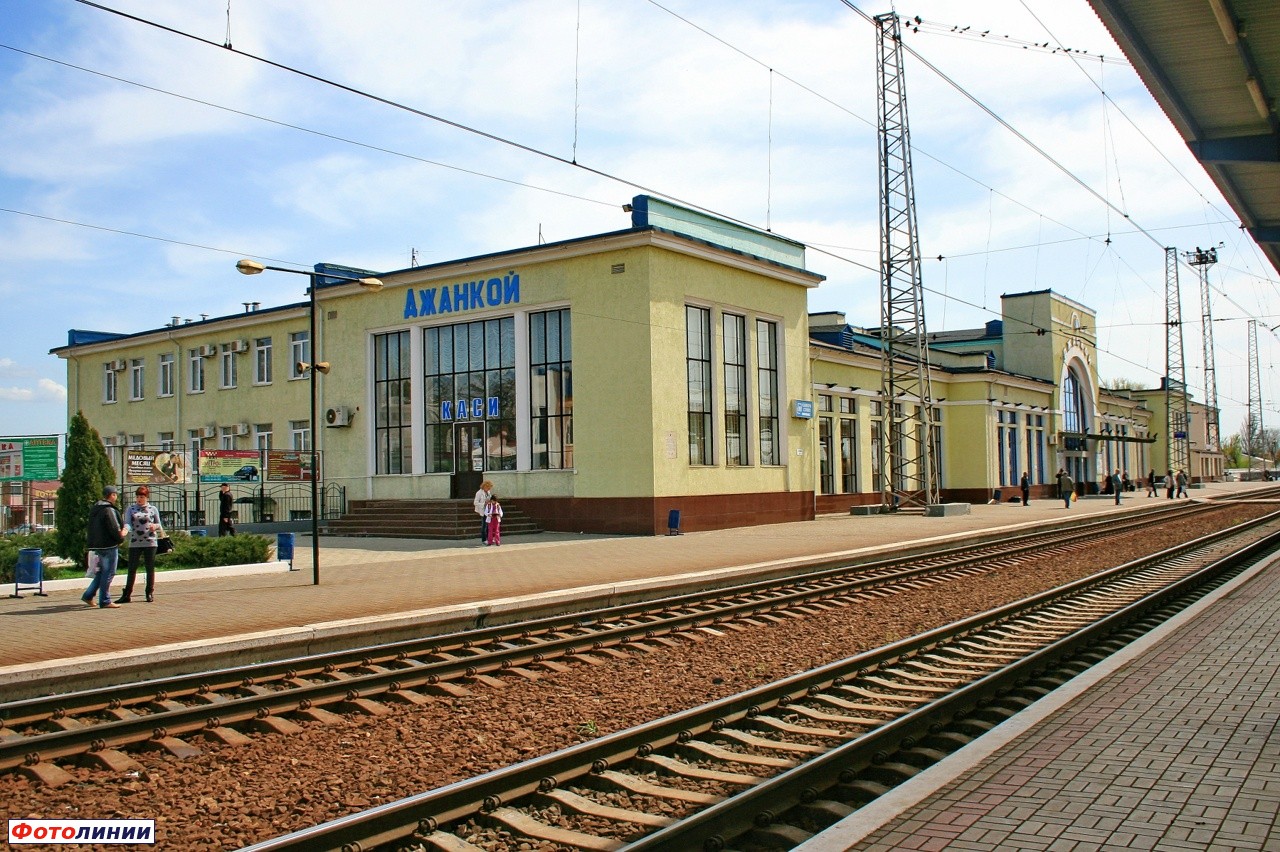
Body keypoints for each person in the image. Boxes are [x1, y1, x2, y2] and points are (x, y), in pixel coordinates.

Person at [81, 485, 127, 609]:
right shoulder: (109, 510)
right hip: (109, 545)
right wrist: (122, 536)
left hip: (98, 545)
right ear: (112, 495)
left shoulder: (96, 508)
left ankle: (88, 595)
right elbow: (114, 528)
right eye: (115, 494)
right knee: (109, 572)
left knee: (102, 573)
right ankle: (105, 600)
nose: (116, 497)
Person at [118, 486, 161, 604]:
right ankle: (127, 594)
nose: (139, 499)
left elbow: (159, 524)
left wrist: (155, 526)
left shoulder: (153, 509)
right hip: (135, 542)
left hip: (150, 542)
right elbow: (127, 523)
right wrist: (125, 530)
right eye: (137, 496)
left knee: (149, 568)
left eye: (142, 497)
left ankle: (149, 592)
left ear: (147, 497)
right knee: (132, 568)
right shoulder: (131, 509)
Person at [473, 479, 494, 544]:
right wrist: (484, 503)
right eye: (488, 487)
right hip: (483, 510)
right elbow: (475, 503)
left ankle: (489, 538)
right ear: (484, 486)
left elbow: (489, 499)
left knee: (489, 525)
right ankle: (484, 540)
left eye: (490, 487)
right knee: (484, 526)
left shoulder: (488, 492)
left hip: (488, 510)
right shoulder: (479, 493)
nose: (489, 489)